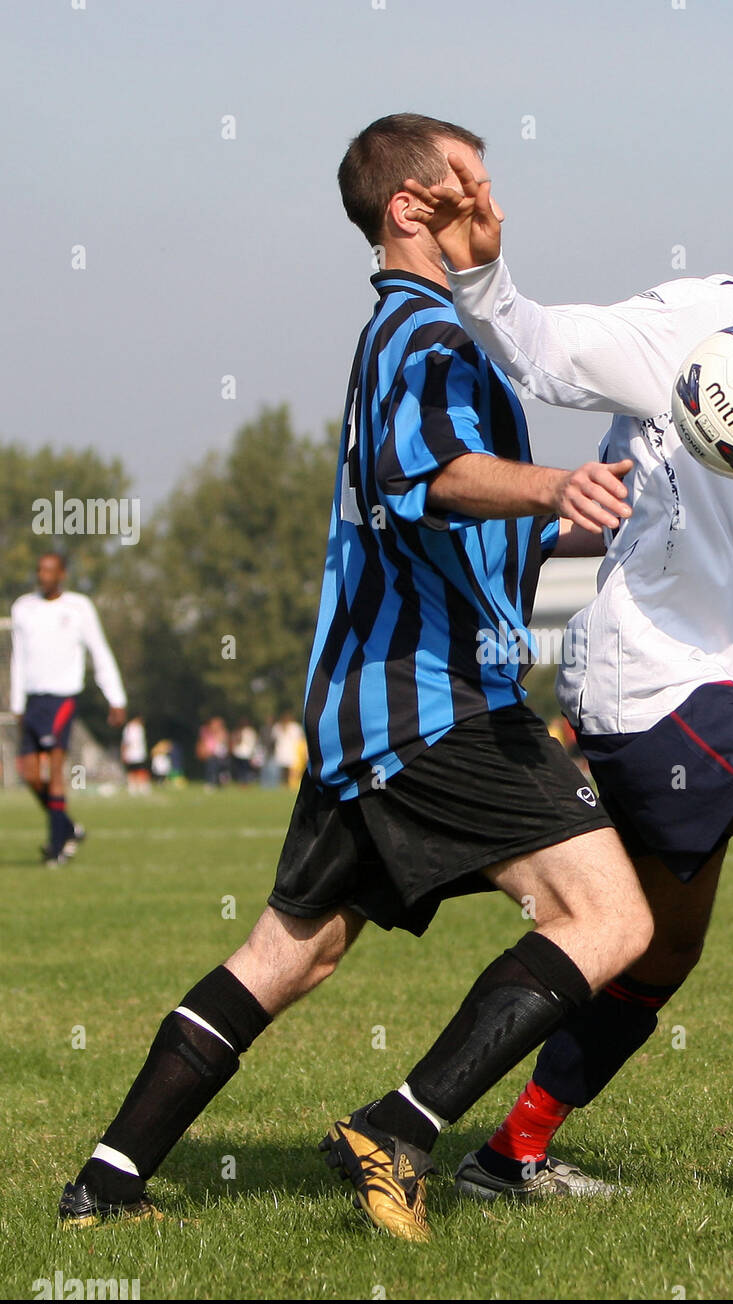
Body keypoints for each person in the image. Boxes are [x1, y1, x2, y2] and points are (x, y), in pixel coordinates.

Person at [58, 113, 653, 1242]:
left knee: (295, 949)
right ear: (410, 208)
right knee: (610, 915)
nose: (498, 207)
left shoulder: (423, 334)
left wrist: (604, 509)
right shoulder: (420, 330)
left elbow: (456, 513)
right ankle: (405, 1123)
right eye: (473, 184)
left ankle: (103, 1185)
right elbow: (419, 473)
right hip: (431, 706)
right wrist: (550, 485)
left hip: (374, 707)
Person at [407, 151, 733, 1207]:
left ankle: (507, 1156)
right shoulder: (693, 323)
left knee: (653, 956)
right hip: (663, 691)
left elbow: (706, 542)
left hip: (680, 683)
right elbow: (548, 351)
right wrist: (480, 277)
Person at [10, 551, 127, 864]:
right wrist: (17, 703)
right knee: (31, 773)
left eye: (50, 570)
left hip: (62, 698)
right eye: (40, 569)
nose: (43, 575)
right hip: (33, 700)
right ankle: (68, 827)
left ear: (62, 574)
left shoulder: (78, 607)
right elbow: (18, 659)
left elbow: (99, 652)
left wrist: (116, 698)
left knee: (55, 767)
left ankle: (56, 845)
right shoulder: (23, 607)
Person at [121, 714, 150, 794]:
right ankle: (132, 787)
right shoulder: (129, 728)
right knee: (132, 770)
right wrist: (124, 753)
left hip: (140, 753)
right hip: (131, 753)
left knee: (141, 769)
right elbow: (126, 742)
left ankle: (142, 786)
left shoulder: (140, 728)